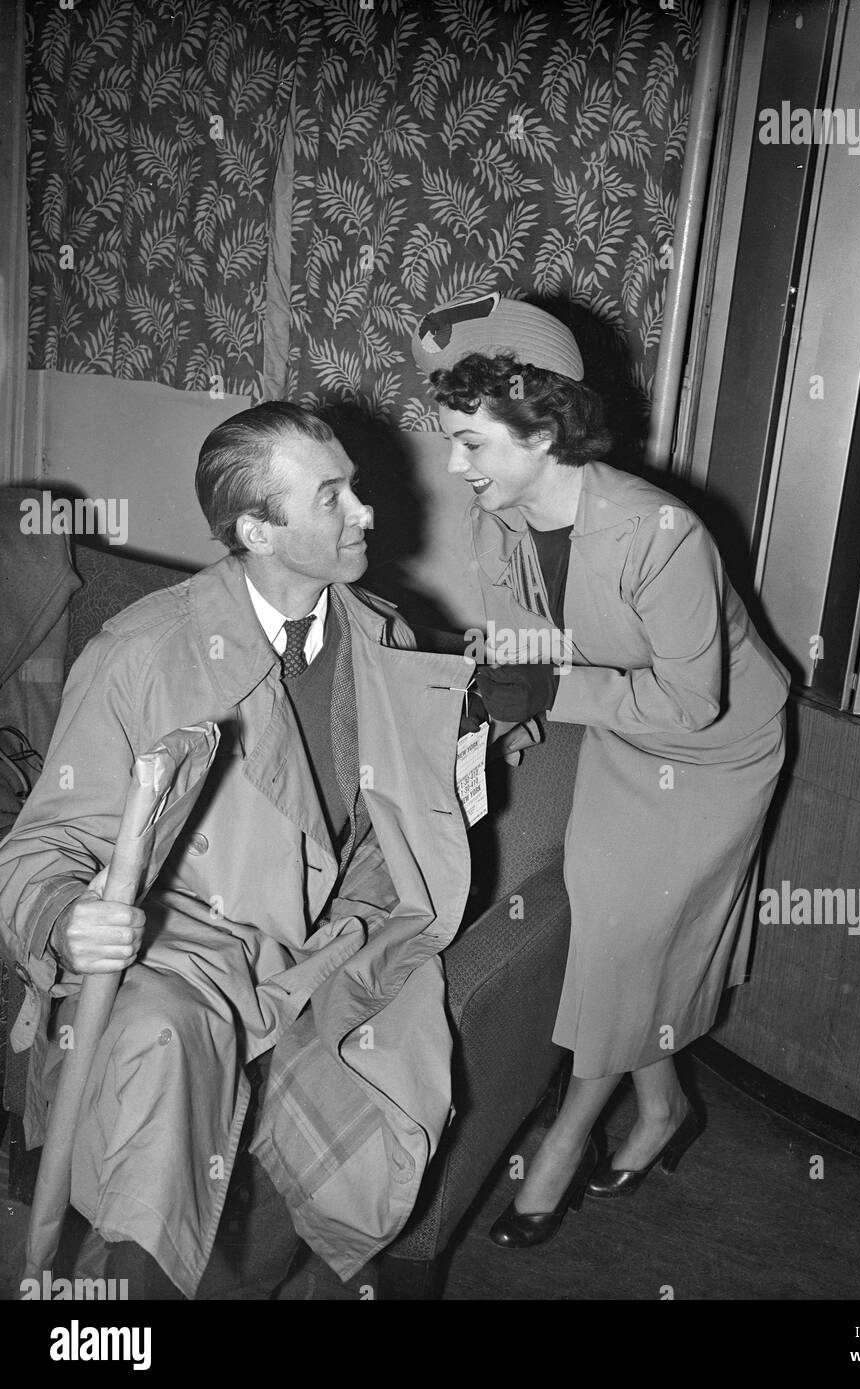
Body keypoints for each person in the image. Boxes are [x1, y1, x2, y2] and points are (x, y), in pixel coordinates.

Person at [0, 402, 474, 1297]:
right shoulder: (141, 653)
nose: (365, 513)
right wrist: (66, 921)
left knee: (392, 1128)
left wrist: (484, 714)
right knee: (158, 1048)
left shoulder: (384, 634)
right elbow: (43, 846)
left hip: (339, 939)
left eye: (355, 489)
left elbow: (403, 796)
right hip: (189, 944)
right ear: (257, 529)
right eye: (331, 499)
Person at [411, 294, 790, 1247]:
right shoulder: (501, 513)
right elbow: (523, 643)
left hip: (714, 750)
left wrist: (542, 695)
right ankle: (661, 1110)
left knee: (625, 933)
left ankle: (567, 1139)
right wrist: (485, 726)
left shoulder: (658, 535)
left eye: (471, 443)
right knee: (620, 935)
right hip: (627, 733)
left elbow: (687, 702)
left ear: (542, 428)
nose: (454, 465)